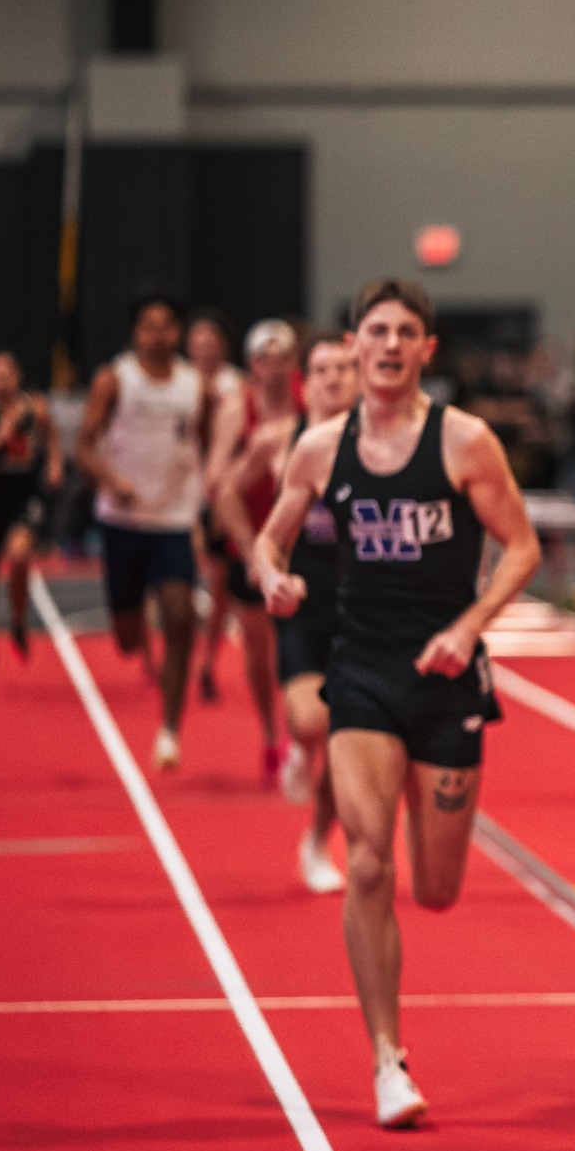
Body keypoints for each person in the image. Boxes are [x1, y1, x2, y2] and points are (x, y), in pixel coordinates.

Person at [252, 278, 540, 1127]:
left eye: (403, 332)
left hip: (446, 678)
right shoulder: (319, 447)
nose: (386, 345)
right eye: (373, 331)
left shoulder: (465, 442)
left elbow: (521, 548)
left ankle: (394, 1029)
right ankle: (388, 1059)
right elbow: (271, 538)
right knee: (369, 861)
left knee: (439, 887)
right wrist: (271, 575)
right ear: (351, 345)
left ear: (425, 350)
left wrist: (470, 625)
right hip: (363, 671)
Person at [216, 332, 358, 895]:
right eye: (323, 369)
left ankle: (319, 841)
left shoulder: (380, 443)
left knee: (348, 740)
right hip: (303, 603)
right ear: (306, 378)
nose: (334, 379)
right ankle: (298, 748)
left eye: (346, 369)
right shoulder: (280, 439)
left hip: (362, 609)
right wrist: (260, 556)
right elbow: (225, 489)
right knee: (311, 721)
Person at [75, 294, 214, 771]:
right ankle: (140, 623)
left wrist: (205, 499)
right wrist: (111, 480)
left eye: (167, 326)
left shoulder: (196, 385)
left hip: (173, 520)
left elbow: (208, 444)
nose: (158, 335)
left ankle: (170, 730)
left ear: (178, 331)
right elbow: (84, 446)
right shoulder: (116, 379)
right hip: (123, 521)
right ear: (136, 332)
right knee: (127, 638)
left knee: (180, 617)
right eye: (148, 326)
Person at [204, 319, 304, 785]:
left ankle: (301, 731)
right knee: (259, 644)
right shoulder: (236, 407)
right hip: (248, 533)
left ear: (293, 362)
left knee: (298, 641)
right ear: (251, 365)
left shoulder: (311, 400)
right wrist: (249, 551)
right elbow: (216, 483)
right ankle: (269, 729)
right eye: (264, 359)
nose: (274, 367)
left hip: (301, 537)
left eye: (282, 357)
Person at [0, 352, 62, 663]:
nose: (3, 383)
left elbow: (52, 438)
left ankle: (18, 620)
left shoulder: (35, 408)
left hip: (22, 496)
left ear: (18, 377)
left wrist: (55, 465)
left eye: (9, 376)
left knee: (20, 558)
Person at [187, 310, 246, 703]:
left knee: (220, 587)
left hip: (216, 494)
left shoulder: (236, 386)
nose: (205, 350)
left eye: (211, 344)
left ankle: (207, 662)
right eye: (198, 344)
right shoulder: (175, 383)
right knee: (183, 581)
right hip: (178, 494)